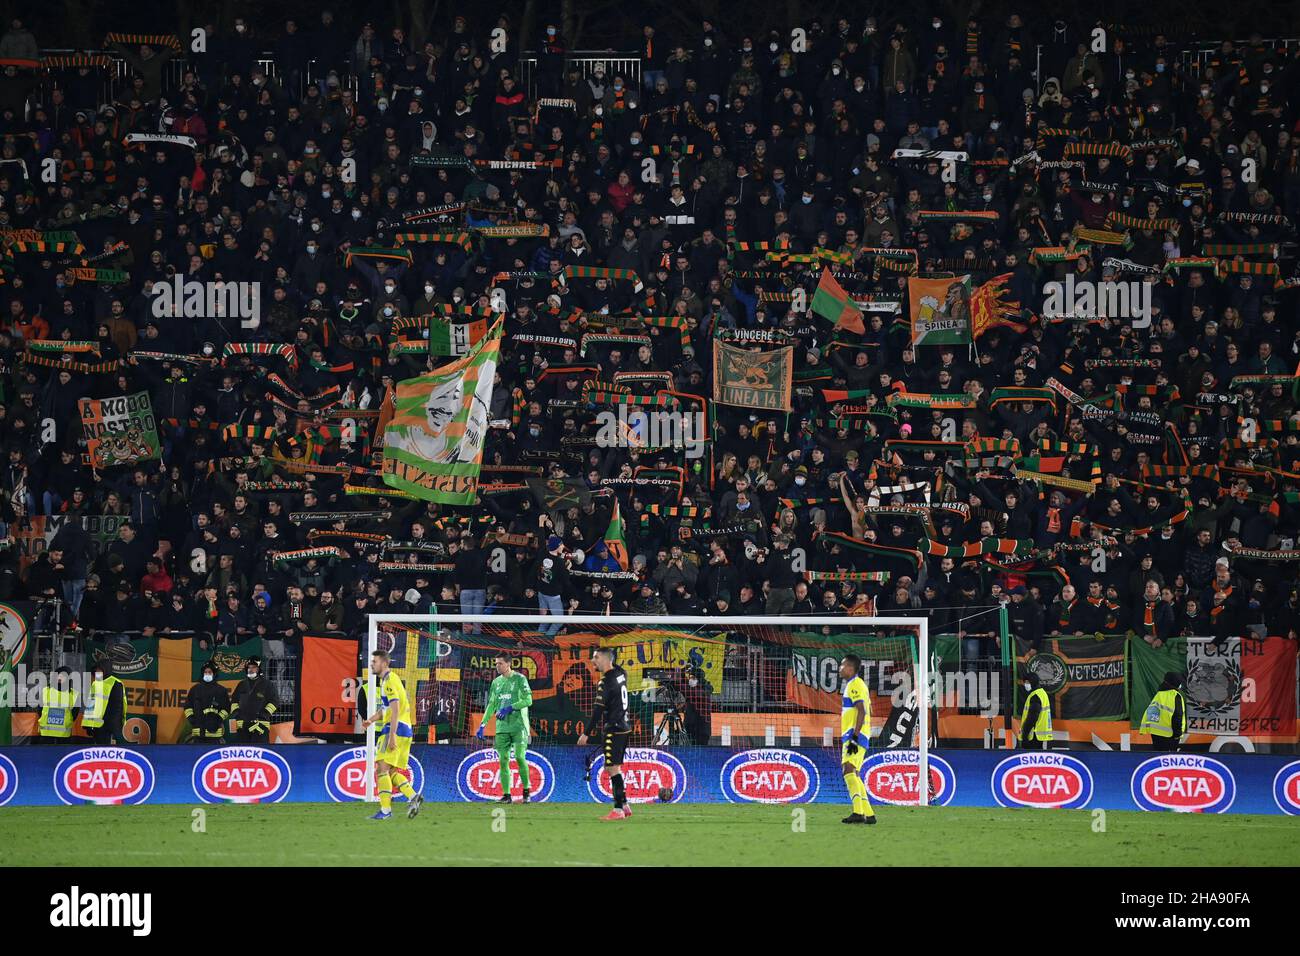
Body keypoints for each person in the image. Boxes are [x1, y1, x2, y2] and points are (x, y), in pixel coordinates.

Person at [360, 649, 424, 820]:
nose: (372, 664)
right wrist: (371, 720)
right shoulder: (390, 680)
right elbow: (386, 709)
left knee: (381, 769)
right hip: (405, 729)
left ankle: (385, 811)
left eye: (375, 662)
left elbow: (395, 709)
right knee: (391, 772)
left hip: (394, 730)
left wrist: (392, 735)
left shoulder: (389, 681)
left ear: (385, 663)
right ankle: (413, 796)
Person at [577, 646, 632, 820]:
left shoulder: (605, 682)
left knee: (612, 768)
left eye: (596, 657)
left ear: (606, 660)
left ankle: (618, 810)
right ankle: (624, 805)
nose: (593, 661)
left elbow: (597, 710)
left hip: (614, 729)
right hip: (625, 727)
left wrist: (586, 733)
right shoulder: (621, 673)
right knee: (614, 766)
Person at [475, 650, 534, 803]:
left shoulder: (520, 679)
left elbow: (528, 700)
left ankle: (526, 791)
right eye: (496, 664)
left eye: (500, 663)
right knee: (503, 760)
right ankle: (507, 795)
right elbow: (492, 704)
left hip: (519, 726)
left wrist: (510, 708)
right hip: (501, 728)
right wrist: (483, 724)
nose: (497, 666)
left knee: (520, 757)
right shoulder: (496, 682)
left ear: (508, 664)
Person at [838, 654, 877, 825]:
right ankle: (868, 814)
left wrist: (854, 736)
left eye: (842, 665)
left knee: (848, 770)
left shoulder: (855, 685)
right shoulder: (856, 684)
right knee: (854, 772)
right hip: (859, 735)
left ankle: (857, 812)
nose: (840, 668)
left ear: (850, 668)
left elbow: (862, 710)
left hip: (855, 736)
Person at [230, 656, 278, 744]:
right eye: (249, 667)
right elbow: (234, 701)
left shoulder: (267, 684)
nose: (251, 669)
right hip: (243, 725)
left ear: (259, 669)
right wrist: (237, 714)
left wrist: (263, 714)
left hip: (260, 726)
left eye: (254, 667)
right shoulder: (241, 684)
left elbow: (274, 702)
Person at [184, 660, 230, 743]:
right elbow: (187, 707)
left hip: (215, 735)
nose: (207, 674)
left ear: (214, 674)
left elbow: (227, 708)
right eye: (205, 672)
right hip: (198, 734)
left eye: (209, 672)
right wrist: (192, 719)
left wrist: (218, 719)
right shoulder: (195, 689)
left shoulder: (221, 690)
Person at [1139, 671, 1186, 752]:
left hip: (1155, 733)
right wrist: (1177, 734)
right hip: (1169, 735)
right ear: (1176, 683)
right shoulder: (1176, 696)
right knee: (1168, 760)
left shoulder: (1159, 694)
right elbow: (1177, 716)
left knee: (1158, 758)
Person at [82, 660, 125, 745]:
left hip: (108, 727)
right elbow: (90, 705)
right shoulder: (95, 684)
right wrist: (88, 725)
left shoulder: (115, 683)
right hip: (96, 726)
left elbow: (117, 707)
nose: (97, 673)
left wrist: (111, 726)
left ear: (106, 670)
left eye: (99, 670)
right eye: (96, 671)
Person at [37, 667, 79, 744]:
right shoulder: (46, 691)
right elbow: (39, 710)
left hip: (64, 735)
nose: (60, 677)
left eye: (63, 676)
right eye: (58, 675)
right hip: (46, 734)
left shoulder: (74, 694)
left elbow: (75, 713)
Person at [1018, 671, 1052, 750]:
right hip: (1039, 735)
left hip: (1033, 735)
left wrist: (1025, 735)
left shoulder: (1035, 696)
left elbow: (1032, 717)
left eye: (1027, 682)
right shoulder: (1042, 693)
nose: (1025, 685)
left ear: (1032, 682)